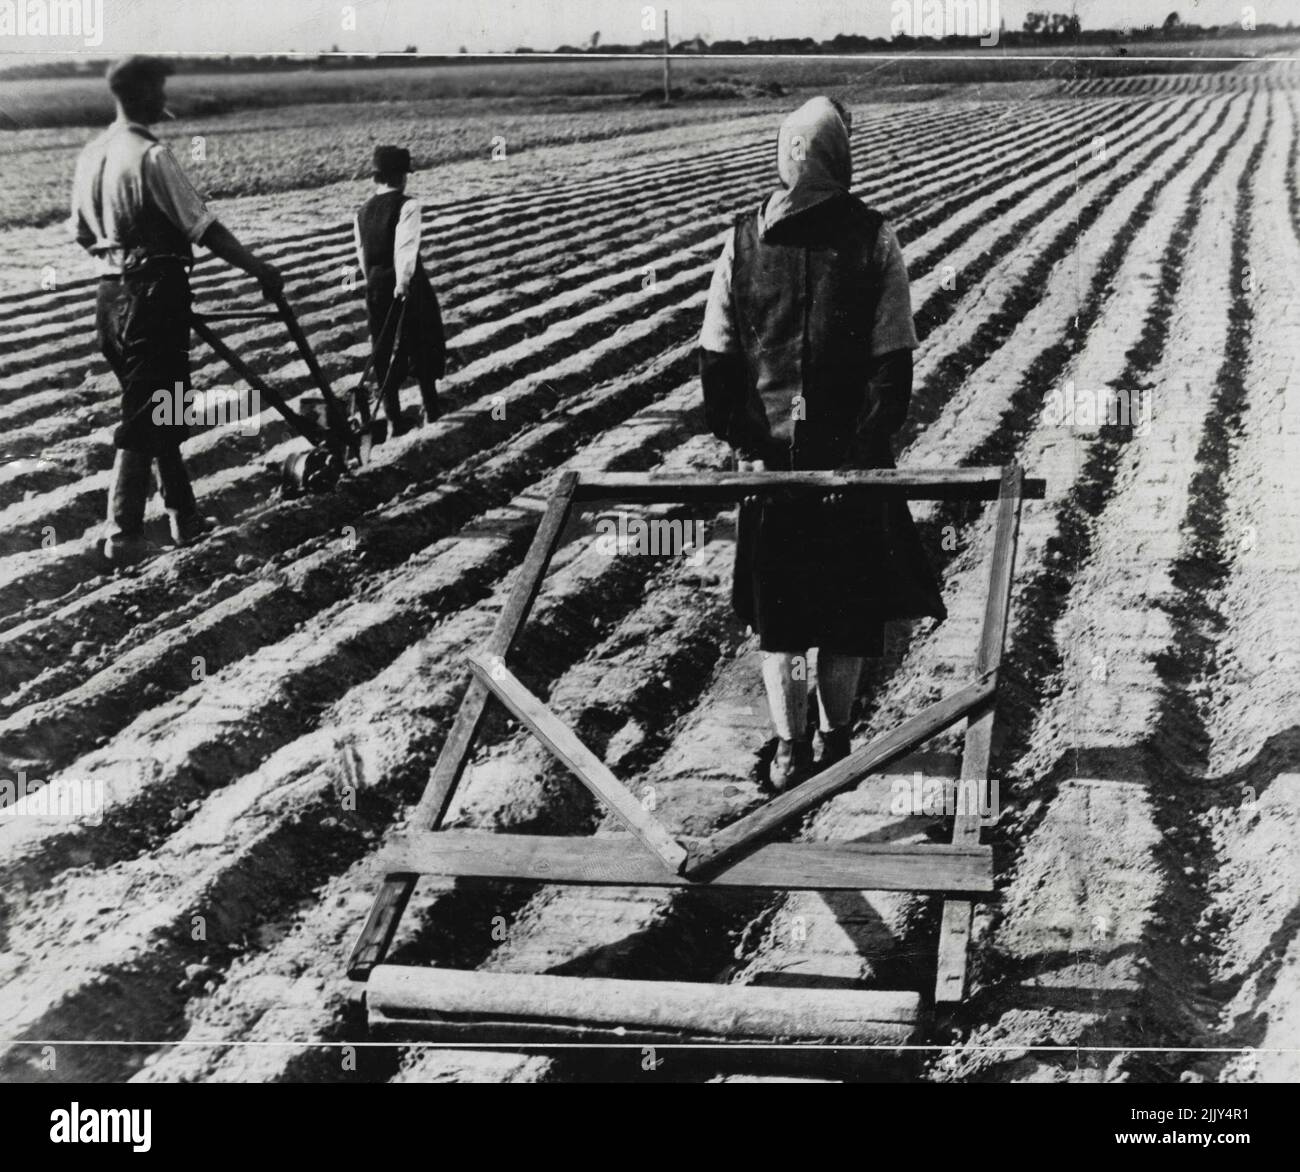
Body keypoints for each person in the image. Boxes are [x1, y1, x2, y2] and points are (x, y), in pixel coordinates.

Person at [698, 96, 947, 791]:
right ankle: (834, 742)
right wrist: (862, 453)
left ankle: (789, 748)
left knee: (782, 615)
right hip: (846, 464)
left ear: (785, 156)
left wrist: (749, 441)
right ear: (841, 157)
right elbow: (890, 360)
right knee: (846, 611)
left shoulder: (743, 238)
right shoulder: (873, 236)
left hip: (774, 463)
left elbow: (716, 362)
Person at [69, 55, 284, 567]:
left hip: (109, 296)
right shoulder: (150, 155)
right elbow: (202, 226)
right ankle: (121, 532)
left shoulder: (91, 155)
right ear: (141, 91)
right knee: (149, 409)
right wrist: (259, 269)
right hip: (155, 292)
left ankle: (184, 516)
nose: (163, 96)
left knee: (154, 400)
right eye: (159, 86)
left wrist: (119, 258)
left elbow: (81, 234)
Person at [352, 145, 446, 435]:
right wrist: (403, 283)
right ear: (401, 177)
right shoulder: (408, 205)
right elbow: (406, 246)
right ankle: (431, 412)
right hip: (406, 286)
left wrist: (374, 282)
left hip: (376, 287)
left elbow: (361, 252)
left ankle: (393, 421)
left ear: (375, 179)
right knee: (423, 343)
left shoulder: (362, 212)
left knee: (383, 350)